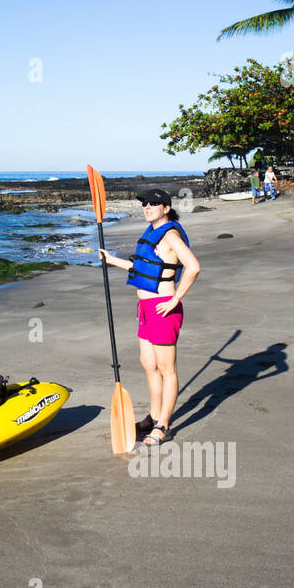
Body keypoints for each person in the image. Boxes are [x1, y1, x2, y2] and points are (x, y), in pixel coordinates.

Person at [99, 188, 201, 445]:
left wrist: (175, 299)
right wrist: (112, 260)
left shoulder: (171, 235)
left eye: (153, 204)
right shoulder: (151, 233)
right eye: (144, 204)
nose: (147, 207)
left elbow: (193, 267)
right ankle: (153, 416)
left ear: (166, 208)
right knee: (148, 364)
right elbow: (141, 268)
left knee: (167, 369)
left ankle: (163, 426)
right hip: (145, 309)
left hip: (162, 308)